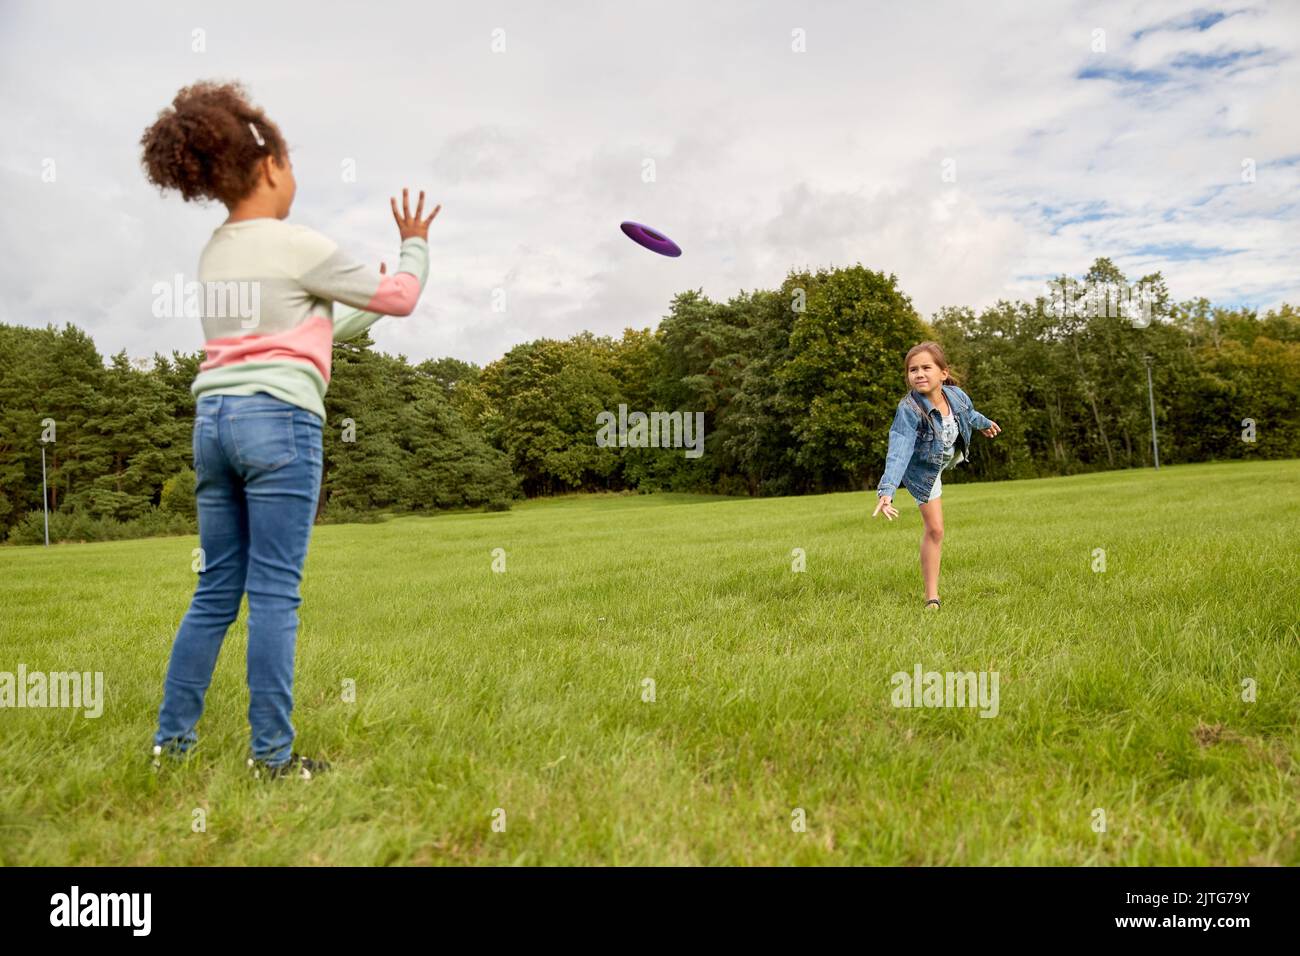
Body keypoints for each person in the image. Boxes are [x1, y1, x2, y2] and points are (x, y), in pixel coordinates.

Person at [139, 80, 440, 778]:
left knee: (216, 589)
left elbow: (318, 327)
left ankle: (170, 747)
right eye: (293, 162)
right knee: (275, 592)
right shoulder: (298, 243)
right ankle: (271, 759)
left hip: (213, 426)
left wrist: (364, 301)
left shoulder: (216, 253)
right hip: (279, 425)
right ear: (271, 164)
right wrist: (416, 248)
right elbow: (397, 298)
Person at [872, 341, 1001, 609]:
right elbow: (900, 447)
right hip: (923, 472)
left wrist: (985, 423)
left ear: (943, 373)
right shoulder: (909, 409)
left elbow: (970, 415)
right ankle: (932, 597)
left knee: (936, 529)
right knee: (936, 529)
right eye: (912, 370)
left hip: (947, 458)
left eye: (926, 368)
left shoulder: (957, 396)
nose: (918, 374)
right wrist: (887, 491)